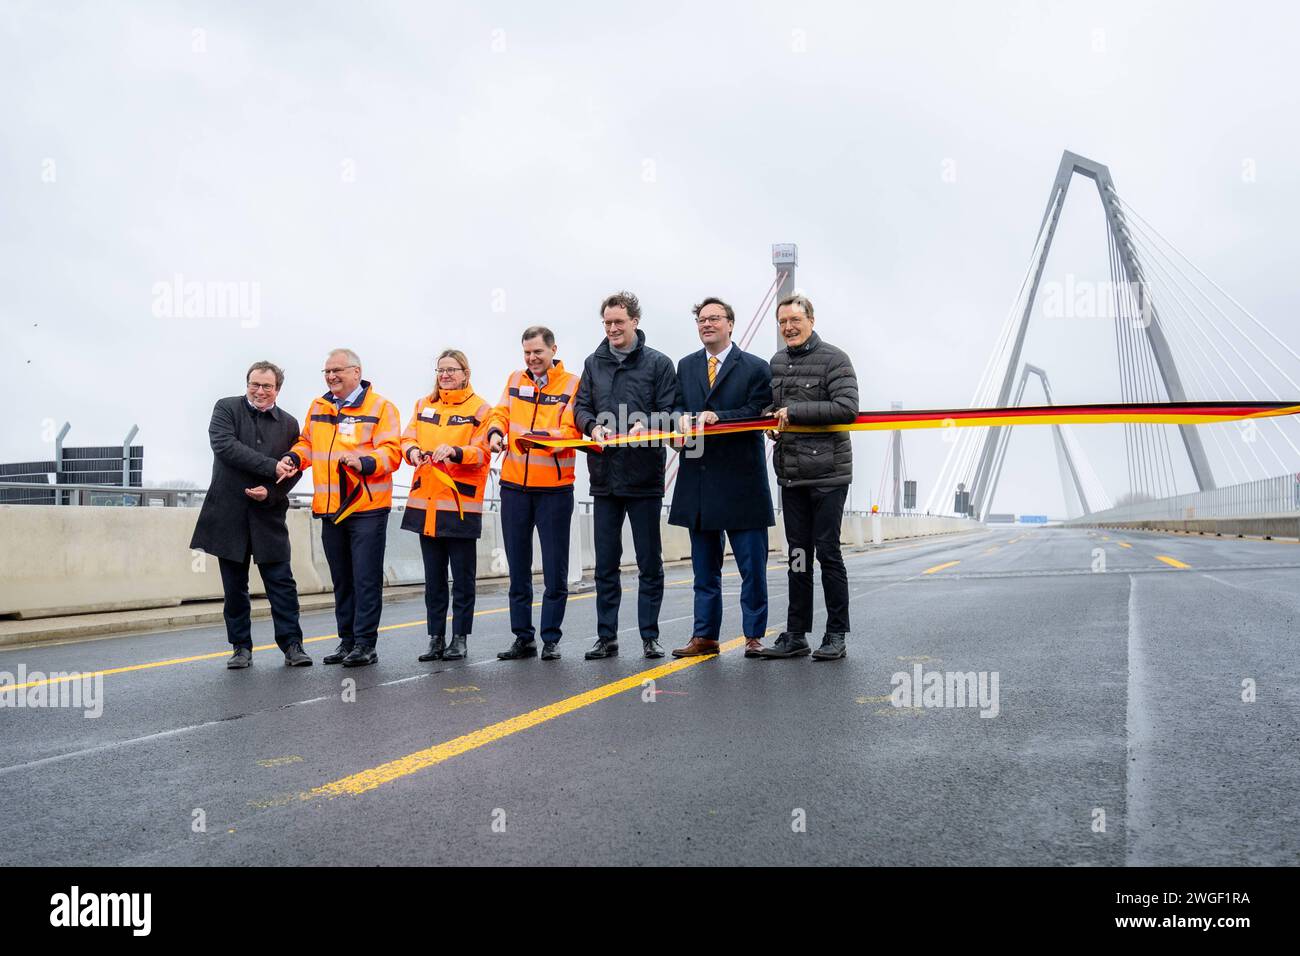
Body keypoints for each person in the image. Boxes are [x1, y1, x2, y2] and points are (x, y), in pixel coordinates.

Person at [573, 290, 682, 660]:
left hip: (644, 477)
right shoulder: (593, 363)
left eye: (619, 322)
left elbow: (671, 412)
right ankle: (607, 637)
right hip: (604, 478)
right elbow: (581, 407)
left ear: (635, 321)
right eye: (607, 323)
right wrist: (592, 427)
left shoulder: (659, 364)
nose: (613, 329)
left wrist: (645, 425)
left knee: (650, 561)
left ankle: (650, 636)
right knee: (606, 563)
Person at [276, 349, 402, 667]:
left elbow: (392, 453)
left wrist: (365, 461)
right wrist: (294, 458)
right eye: (327, 371)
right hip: (330, 507)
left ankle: (365, 644)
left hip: (366, 507)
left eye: (338, 370)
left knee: (365, 578)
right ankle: (347, 641)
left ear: (356, 372)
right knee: (342, 579)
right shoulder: (319, 407)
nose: (332, 376)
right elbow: (307, 442)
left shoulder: (381, 407)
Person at [668, 298, 774, 659]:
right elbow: (677, 406)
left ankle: (754, 636)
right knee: (704, 571)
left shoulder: (757, 368)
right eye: (701, 319)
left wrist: (719, 418)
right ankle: (705, 636)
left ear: (731, 324)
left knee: (752, 570)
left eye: (714, 318)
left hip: (742, 482)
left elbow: (757, 411)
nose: (707, 324)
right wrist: (680, 420)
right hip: (699, 480)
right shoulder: (686, 366)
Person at [757, 294, 859, 661]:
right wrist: (772, 420)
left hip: (829, 474)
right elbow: (774, 407)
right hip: (790, 474)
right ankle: (796, 634)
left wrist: (793, 411)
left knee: (828, 553)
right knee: (798, 555)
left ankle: (836, 634)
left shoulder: (835, 359)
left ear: (811, 320)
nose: (789, 327)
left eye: (795, 320)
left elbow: (847, 408)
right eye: (783, 322)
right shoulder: (777, 362)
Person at [191, 361, 310, 669]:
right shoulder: (226, 408)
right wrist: (270, 467)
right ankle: (240, 647)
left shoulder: (289, 424)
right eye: (254, 385)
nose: (259, 391)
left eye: (266, 386)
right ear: (247, 385)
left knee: (281, 584)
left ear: (277, 390)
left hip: (268, 514)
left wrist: (271, 492)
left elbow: (294, 470)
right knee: (234, 588)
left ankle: (292, 645)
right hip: (228, 513)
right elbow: (225, 446)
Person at [484, 327, 582, 662]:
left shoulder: (571, 383)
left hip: (554, 490)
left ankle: (551, 639)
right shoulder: (515, 379)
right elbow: (500, 413)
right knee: (518, 569)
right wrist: (496, 432)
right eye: (526, 352)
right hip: (514, 488)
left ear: (553, 349)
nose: (532, 358)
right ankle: (522, 638)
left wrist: (538, 436)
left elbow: (572, 430)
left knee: (555, 569)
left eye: (538, 352)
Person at [400, 350, 492, 663]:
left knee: (463, 580)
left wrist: (454, 451)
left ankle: (460, 639)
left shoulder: (480, 409)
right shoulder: (423, 404)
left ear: (466, 373)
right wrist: (411, 452)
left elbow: (482, 453)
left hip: (460, 505)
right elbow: (407, 437)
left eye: (452, 370)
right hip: (425, 504)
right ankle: (435, 638)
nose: (445, 375)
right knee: (434, 580)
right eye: (441, 370)